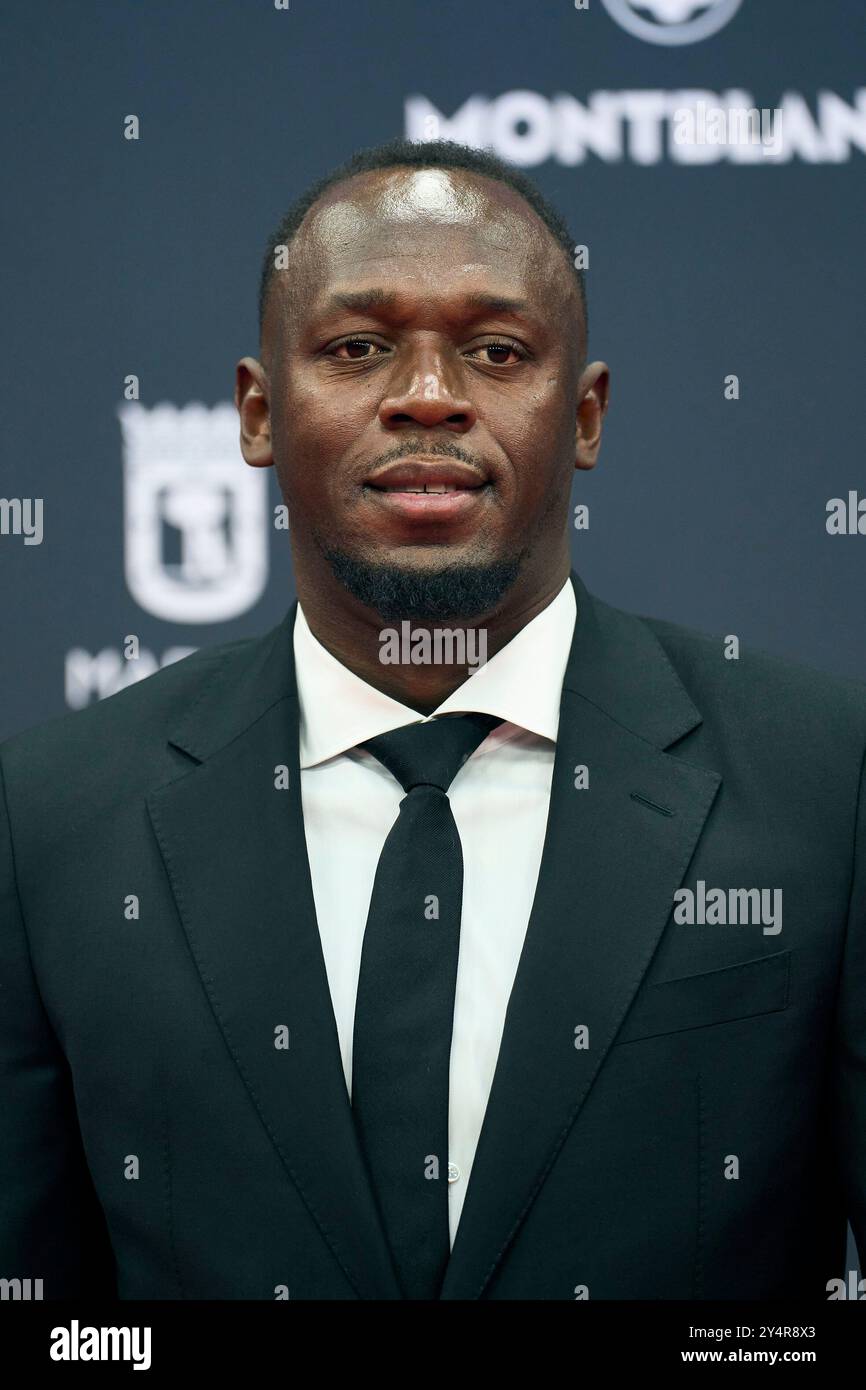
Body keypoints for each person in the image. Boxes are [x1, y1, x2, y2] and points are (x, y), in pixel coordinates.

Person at [1, 138, 864, 1302]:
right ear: (256, 412)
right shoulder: (50, 817)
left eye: (495, 351)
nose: (426, 394)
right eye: (358, 348)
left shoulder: (824, 781)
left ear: (586, 413)